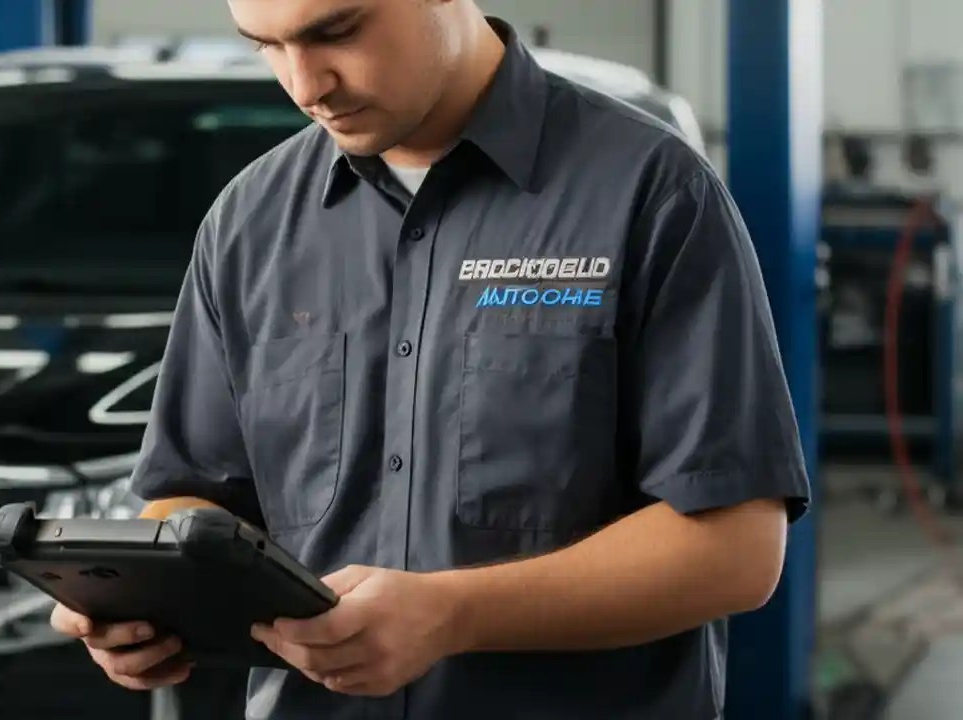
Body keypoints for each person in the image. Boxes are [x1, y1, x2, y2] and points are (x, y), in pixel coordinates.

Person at [51, 0, 812, 717]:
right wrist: (144, 599)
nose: (306, 85)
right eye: (268, 47)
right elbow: (195, 498)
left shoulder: (652, 192)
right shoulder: (249, 224)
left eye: (337, 31)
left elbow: (735, 547)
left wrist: (454, 616)